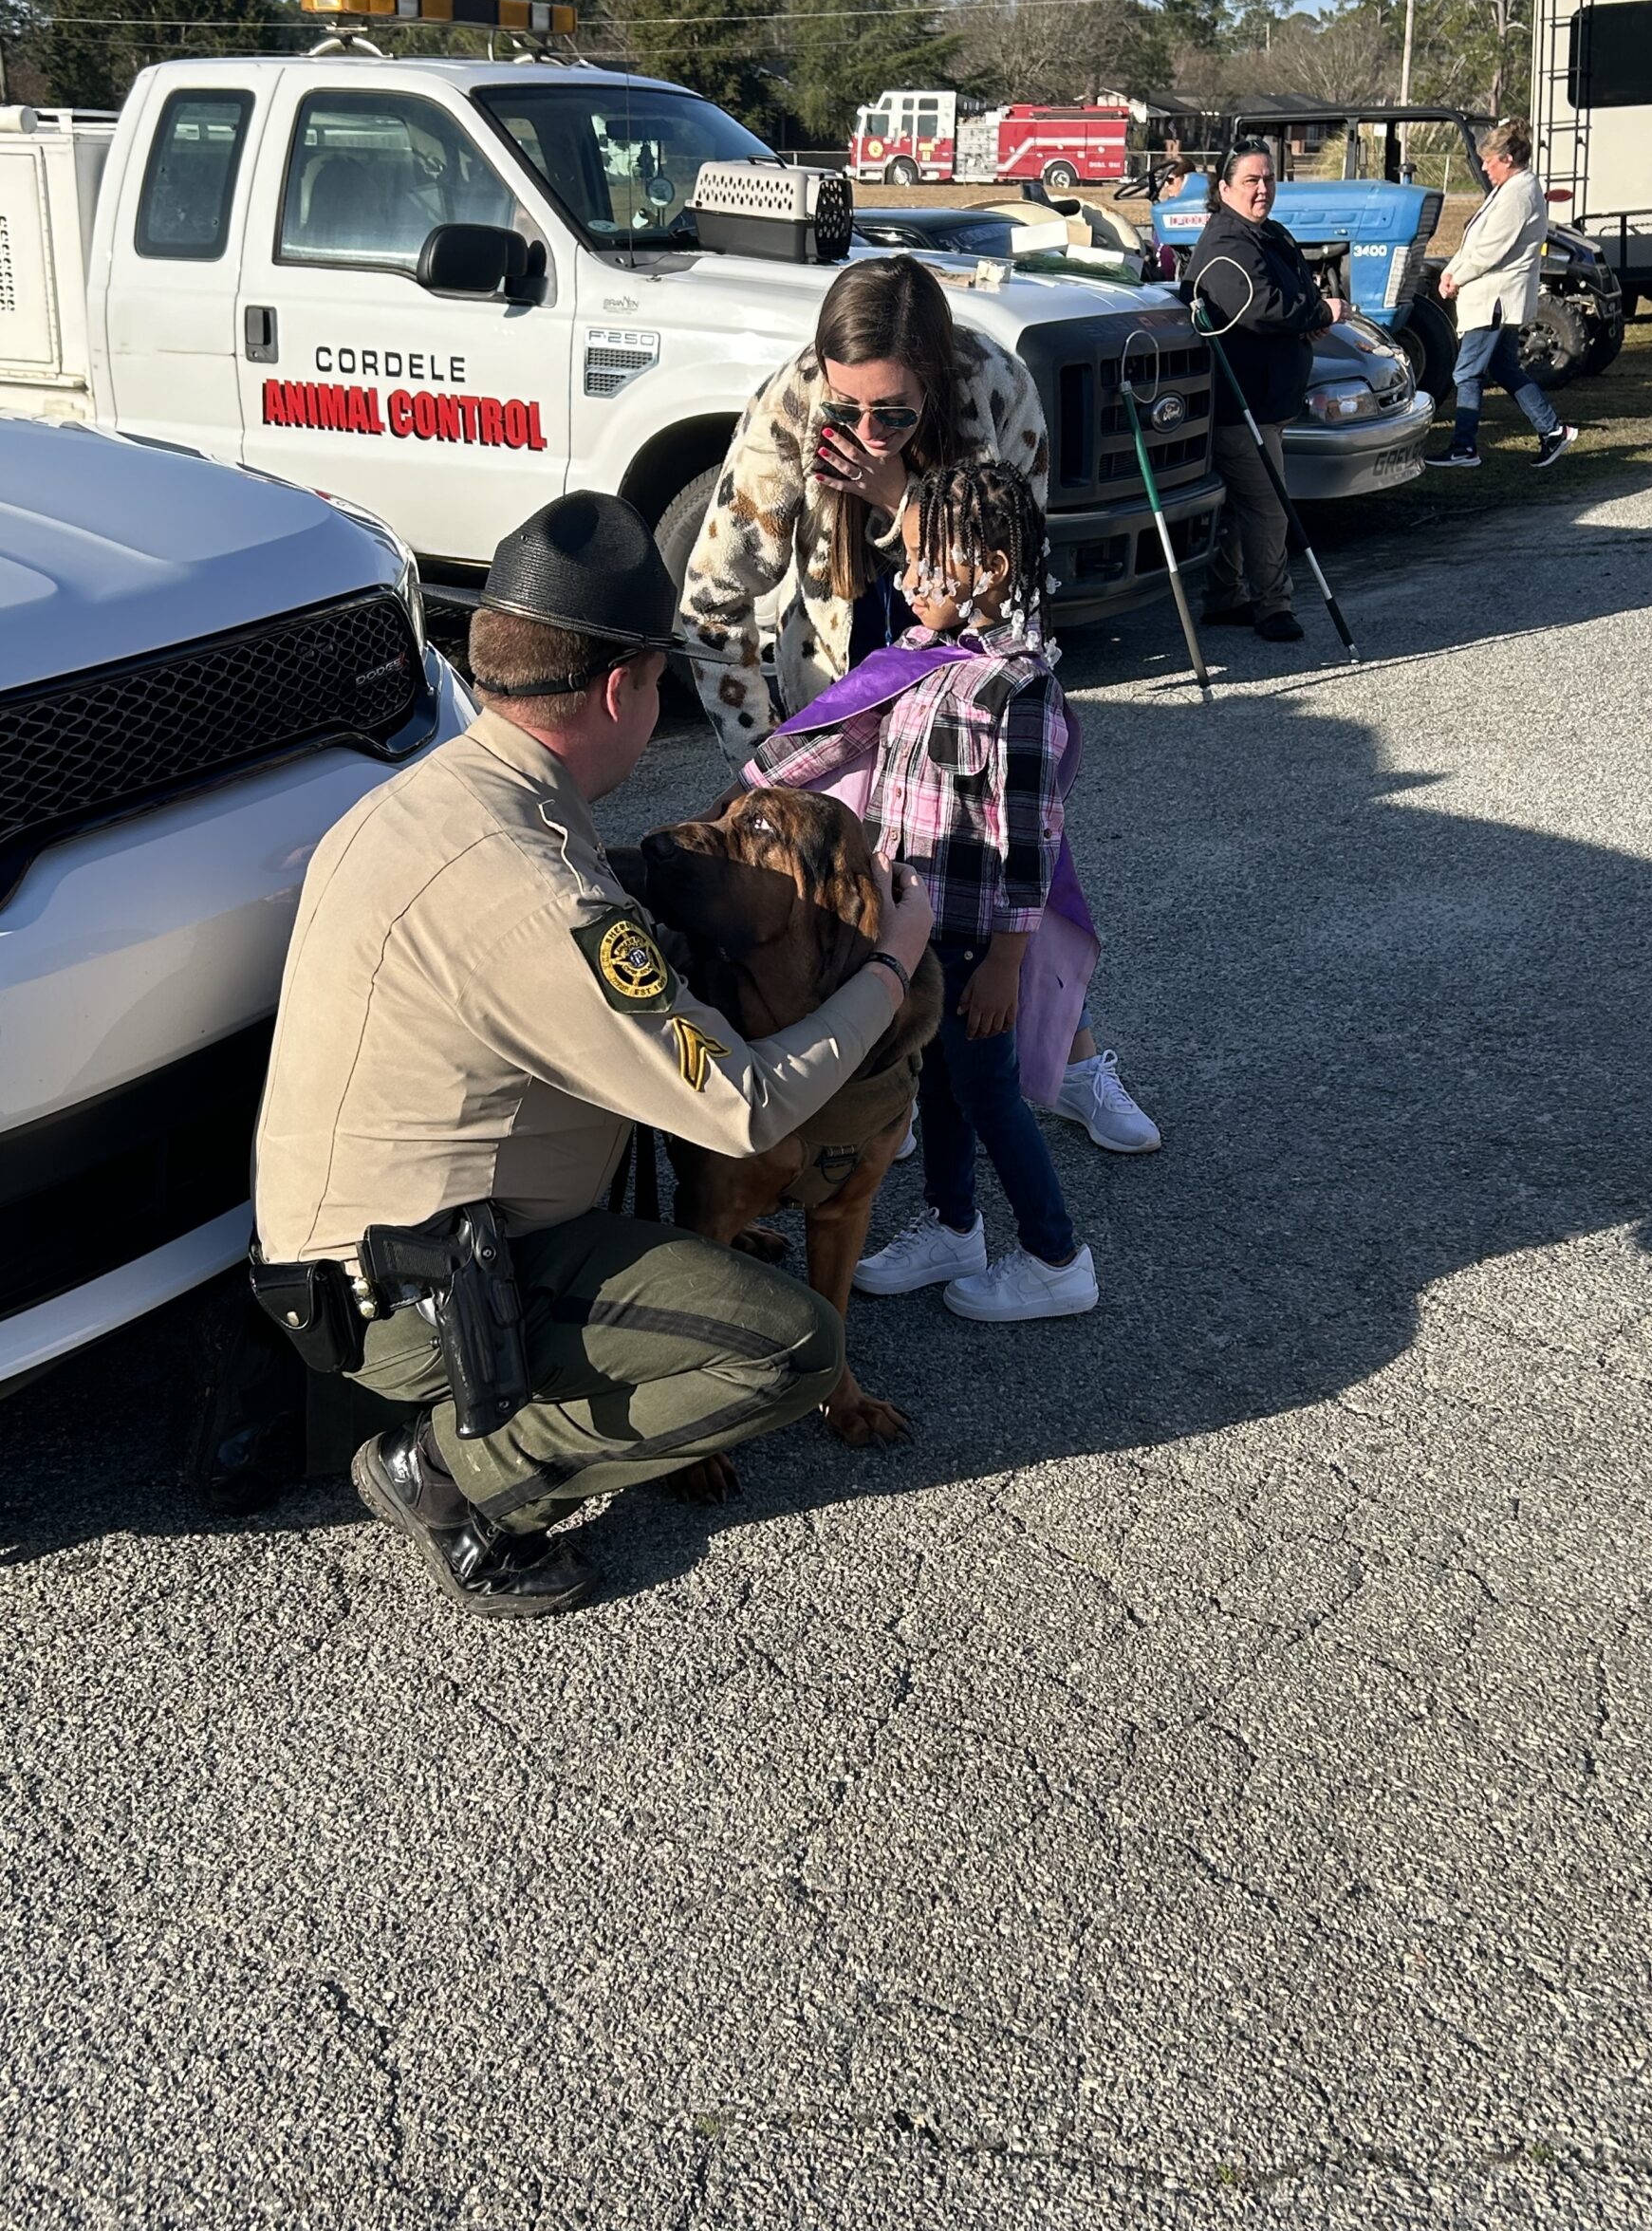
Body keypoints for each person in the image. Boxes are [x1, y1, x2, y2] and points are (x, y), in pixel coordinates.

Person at [251, 492, 933, 1619]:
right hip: (420, 1307)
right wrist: (891, 968)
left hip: (349, 1257)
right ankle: (460, 1476)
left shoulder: (427, 798)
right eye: (661, 684)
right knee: (791, 1349)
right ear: (622, 690)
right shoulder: (540, 889)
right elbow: (745, 1108)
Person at [679, 251, 1161, 1158]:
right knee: (859, 895)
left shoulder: (999, 389)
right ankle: (886, 1082)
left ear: (937, 380)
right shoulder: (792, 406)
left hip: (974, 692)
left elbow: (1021, 581)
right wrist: (762, 759)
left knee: (1020, 875)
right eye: (847, 408)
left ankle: (1070, 1059)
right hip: (848, 688)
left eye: (894, 412)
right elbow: (711, 599)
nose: (865, 431)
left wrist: (899, 499)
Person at [745, 460, 1098, 1324]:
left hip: (976, 940)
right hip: (918, 923)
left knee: (986, 1091)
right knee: (934, 1079)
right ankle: (952, 1225)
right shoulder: (920, 663)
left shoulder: (1019, 690)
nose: (905, 580)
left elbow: (1031, 844)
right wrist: (748, 794)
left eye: (925, 561)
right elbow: (832, 736)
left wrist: (1006, 965)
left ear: (993, 571)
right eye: (905, 559)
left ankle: (1057, 1256)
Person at [1179, 142, 1345, 644]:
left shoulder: (1269, 234)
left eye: (1269, 178)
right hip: (1240, 403)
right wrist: (1317, 316)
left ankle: (1226, 596)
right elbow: (1261, 306)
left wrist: (1311, 312)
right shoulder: (1228, 242)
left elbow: (1299, 291)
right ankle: (1274, 606)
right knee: (1268, 505)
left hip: (1269, 399)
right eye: (1251, 180)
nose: (1263, 188)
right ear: (1224, 189)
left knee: (1240, 505)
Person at [1425, 119, 1576, 474]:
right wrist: (1451, 270)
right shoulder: (1511, 188)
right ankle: (1553, 430)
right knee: (1505, 367)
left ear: (1507, 158)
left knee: (1467, 373)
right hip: (1494, 297)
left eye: (1489, 160)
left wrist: (1455, 276)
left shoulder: (1520, 193)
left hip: (1495, 299)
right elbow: (1475, 238)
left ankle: (1464, 446)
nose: (1484, 167)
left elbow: (1492, 248)